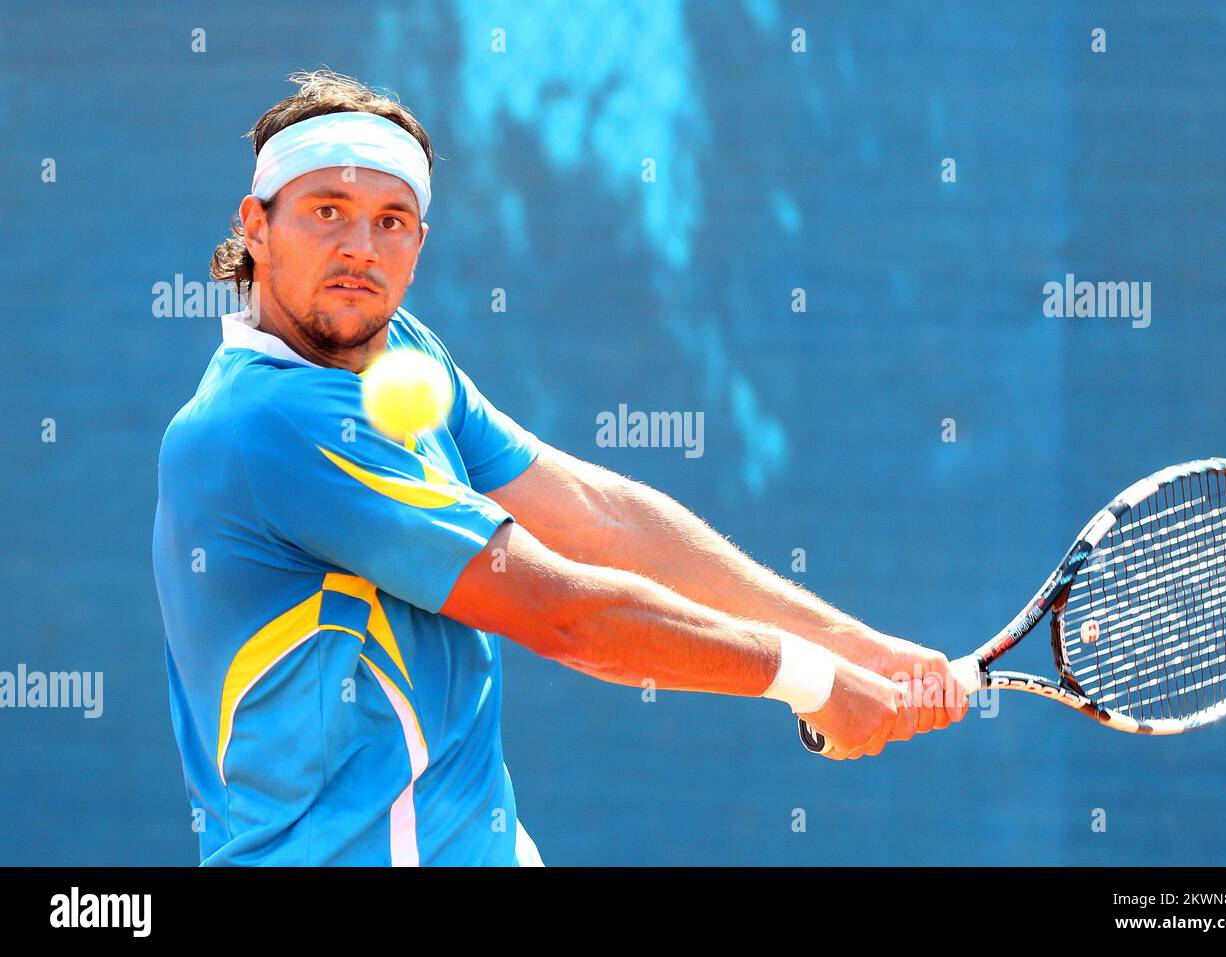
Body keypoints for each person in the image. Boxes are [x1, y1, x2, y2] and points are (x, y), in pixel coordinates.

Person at [152, 70, 967, 867]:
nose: (360, 247)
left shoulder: (398, 352)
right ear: (255, 224)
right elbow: (565, 614)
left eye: (391, 220)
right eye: (327, 211)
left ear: (419, 244)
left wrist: (859, 648)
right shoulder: (266, 424)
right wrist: (814, 679)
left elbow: (598, 517)